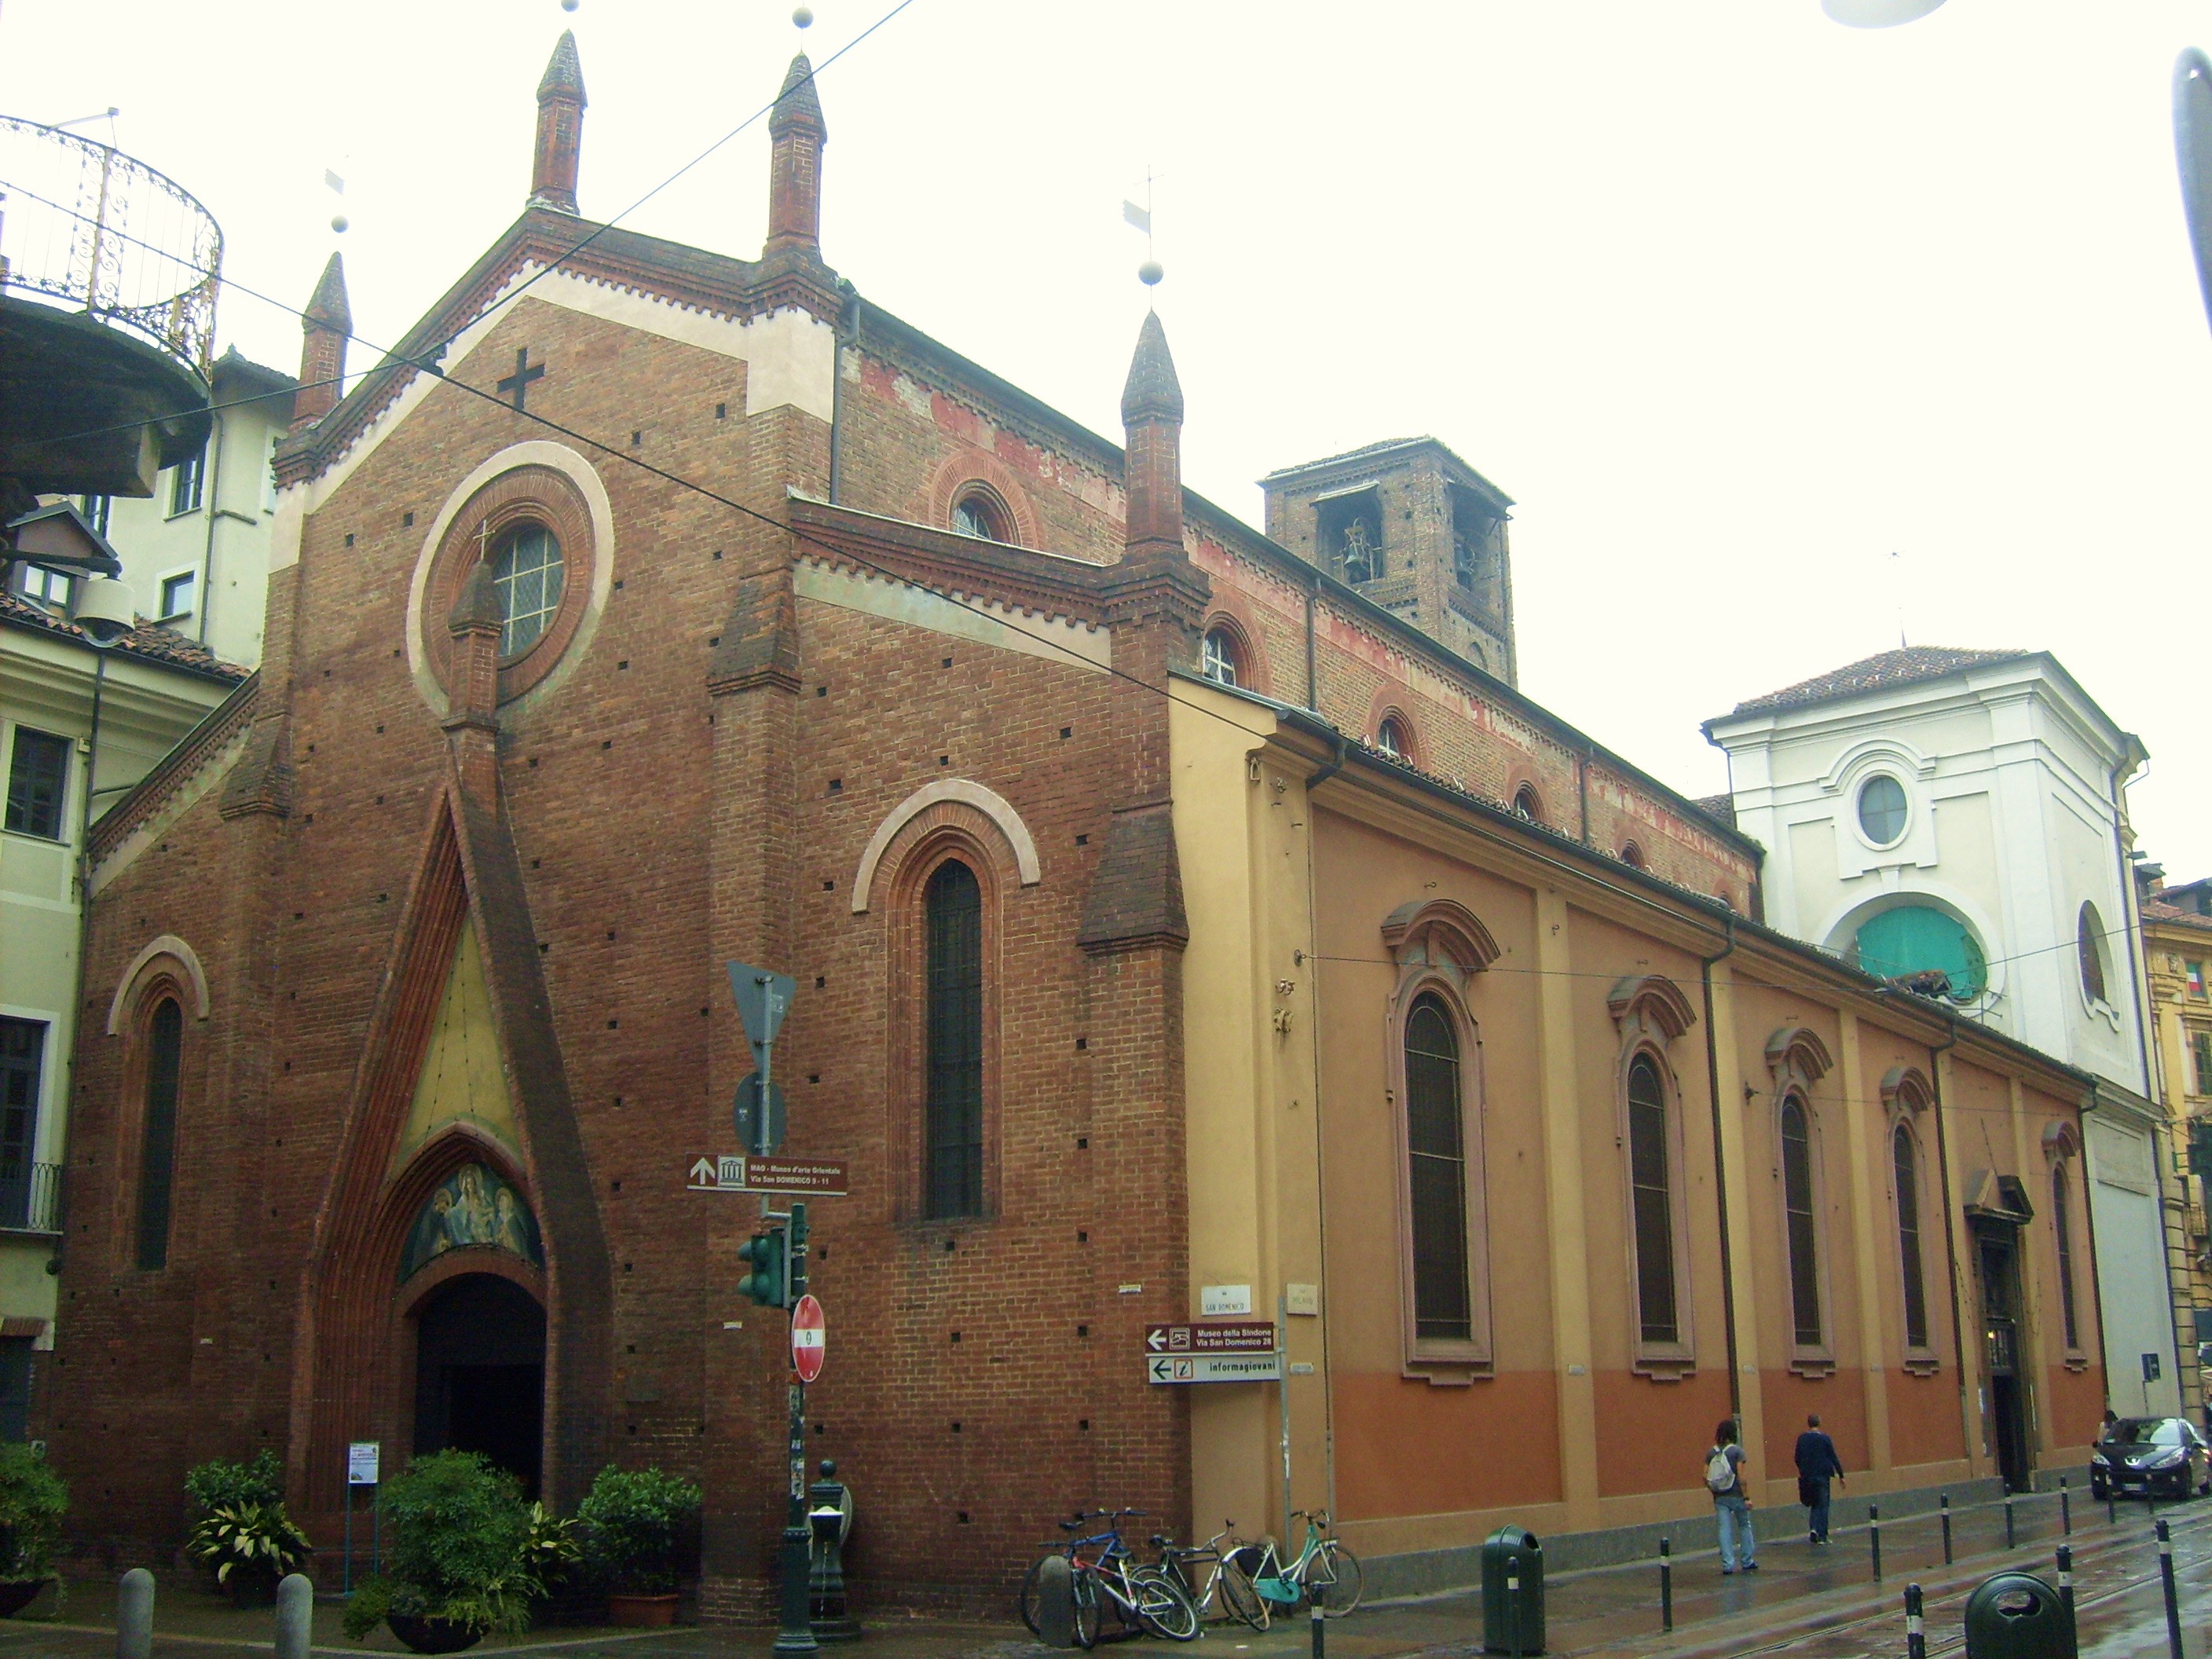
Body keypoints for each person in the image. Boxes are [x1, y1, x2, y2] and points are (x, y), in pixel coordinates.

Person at [1705, 1417, 1757, 1574]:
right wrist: (1746, 1496)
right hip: (1737, 1496)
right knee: (1744, 1525)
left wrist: (1714, 1490)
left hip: (1720, 1497)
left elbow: (1704, 1475)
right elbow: (1741, 1476)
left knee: (1724, 1528)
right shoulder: (1737, 1452)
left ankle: (1728, 1564)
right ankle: (1747, 1560)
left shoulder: (1712, 1452)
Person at [1794, 1414, 1845, 1544]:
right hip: (1822, 1476)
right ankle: (1822, 1535)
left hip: (1807, 1477)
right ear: (1819, 1423)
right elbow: (1833, 1457)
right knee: (1823, 1504)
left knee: (1814, 1503)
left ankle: (1813, 1528)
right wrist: (1841, 1475)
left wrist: (1803, 1470)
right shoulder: (1825, 1439)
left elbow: (1797, 1458)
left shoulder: (1802, 1439)